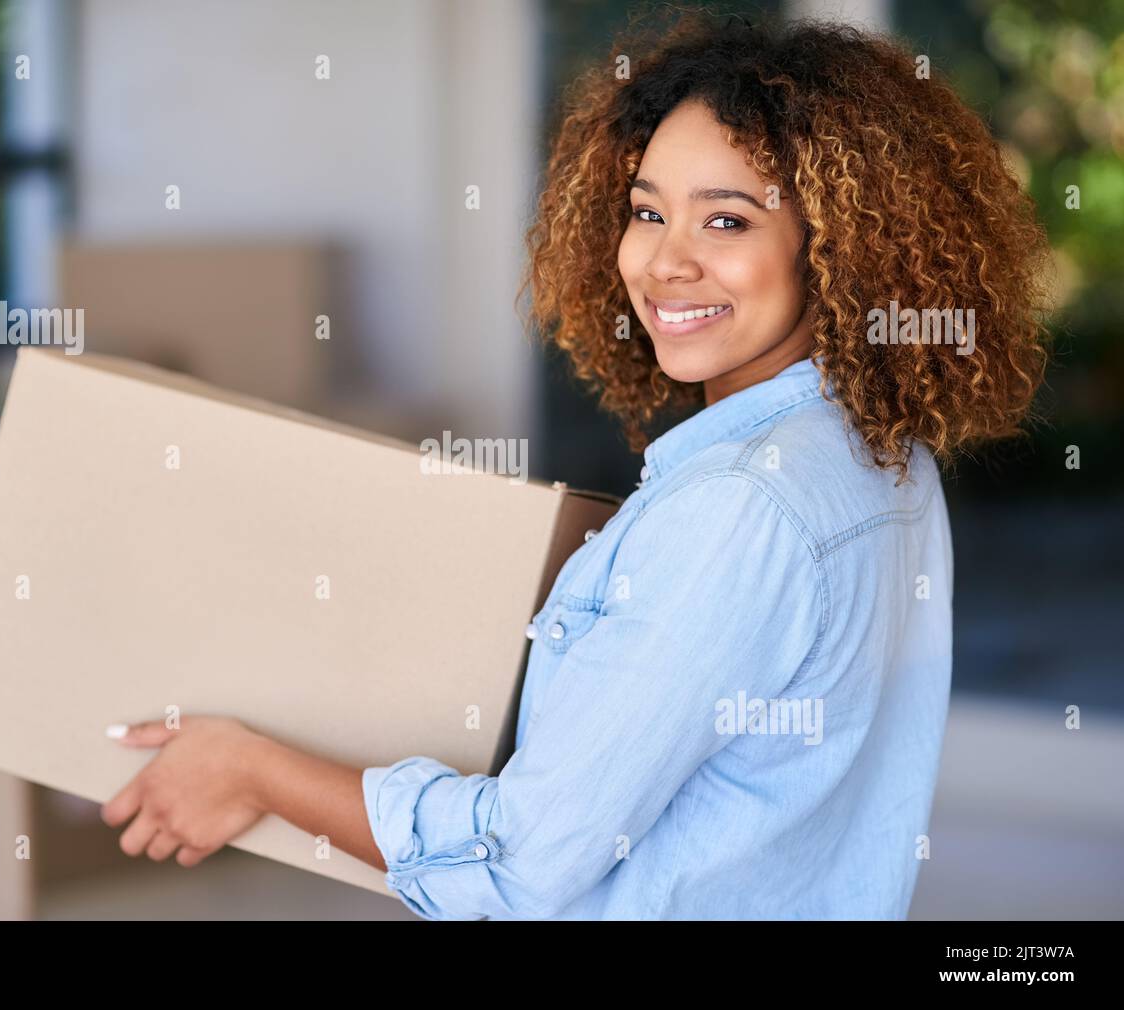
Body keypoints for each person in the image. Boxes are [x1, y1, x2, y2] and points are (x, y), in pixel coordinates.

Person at [100, 10, 1052, 920]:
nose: (665, 261)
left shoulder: (742, 507)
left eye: (727, 221)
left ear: (839, 249)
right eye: (648, 212)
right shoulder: (875, 455)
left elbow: (523, 859)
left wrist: (250, 767)